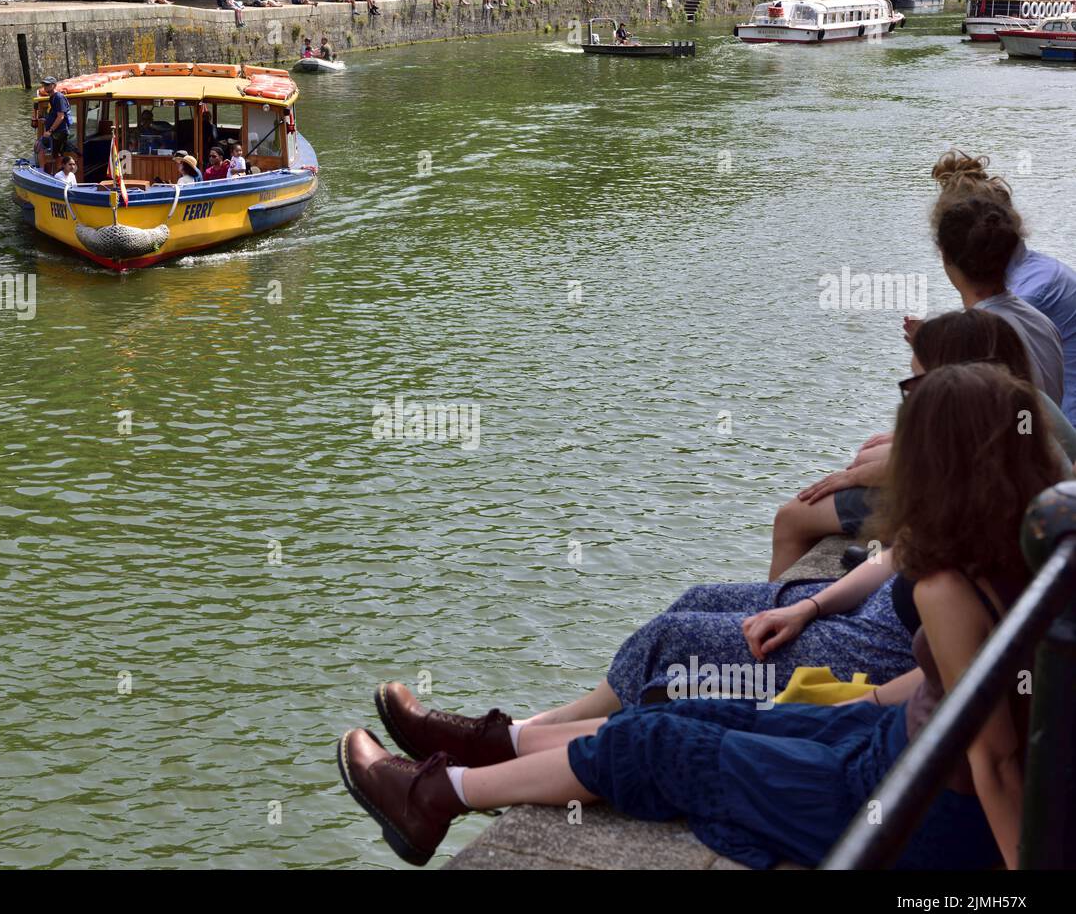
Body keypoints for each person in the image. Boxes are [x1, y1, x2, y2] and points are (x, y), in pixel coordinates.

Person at [339, 362, 1066, 869]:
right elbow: (966, 686)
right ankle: (485, 754)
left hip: (913, 805)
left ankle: (437, 795)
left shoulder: (947, 580)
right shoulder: (1026, 546)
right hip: (891, 744)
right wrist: (864, 698)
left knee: (660, 744)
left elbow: (997, 757)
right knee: (703, 707)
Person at [769, 185, 1068, 580]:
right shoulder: (1034, 317)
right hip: (1019, 478)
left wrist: (852, 476)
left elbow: (945, 456)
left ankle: (778, 612)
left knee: (792, 516)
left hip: (984, 496)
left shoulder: (979, 336)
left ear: (945, 257)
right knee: (875, 450)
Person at [933, 150, 1076, 426]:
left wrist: (931, 355)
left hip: (1061, 437)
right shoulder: (1033, 280)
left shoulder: (1031, 291)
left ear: (947, 250)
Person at [40, 77, 74, 175]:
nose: (45, 87)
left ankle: (58, 175)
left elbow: (61, 117)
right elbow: (55, 115)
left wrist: (50, 130)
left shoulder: (59, 97)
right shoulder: (52, 98)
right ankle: (48, 173)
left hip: (59, 132)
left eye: (48, 85)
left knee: (54, 153)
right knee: (49, 151)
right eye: (44, 85)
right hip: (55, 131)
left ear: (54, 85)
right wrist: (46, 120)